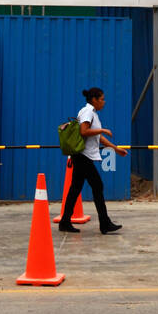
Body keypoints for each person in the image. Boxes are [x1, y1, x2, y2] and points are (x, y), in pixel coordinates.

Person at [58, 87, 126, 234]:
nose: (104, 102)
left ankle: (65, 222)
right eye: (102, 99)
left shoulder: (89, 112)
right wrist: (103, 130)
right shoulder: (88, 112)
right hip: (84, 157)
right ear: (94, 100)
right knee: (97, 186)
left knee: (76, 188)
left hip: (82, 156)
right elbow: (84, 131)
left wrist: (115, 149)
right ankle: (104, 223)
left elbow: (97, 138)